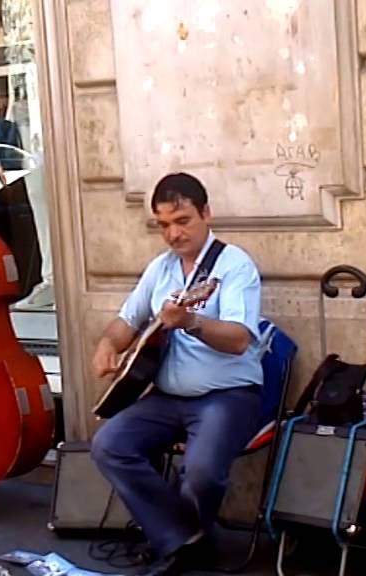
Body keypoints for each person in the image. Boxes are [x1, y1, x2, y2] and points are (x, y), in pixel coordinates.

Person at [90, 173, 264, 576]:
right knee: (109, 444)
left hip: (228, 394)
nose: (173, 233)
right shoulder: (161, 268)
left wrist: (191, 321)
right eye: (164, 224)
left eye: (182, 220)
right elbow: (126, 320)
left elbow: (239, 340)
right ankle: (183, 539)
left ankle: (179, 543)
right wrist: (108, 345)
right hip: (167, 396)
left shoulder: (234, 265)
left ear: (206, 213)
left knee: (201, 473)